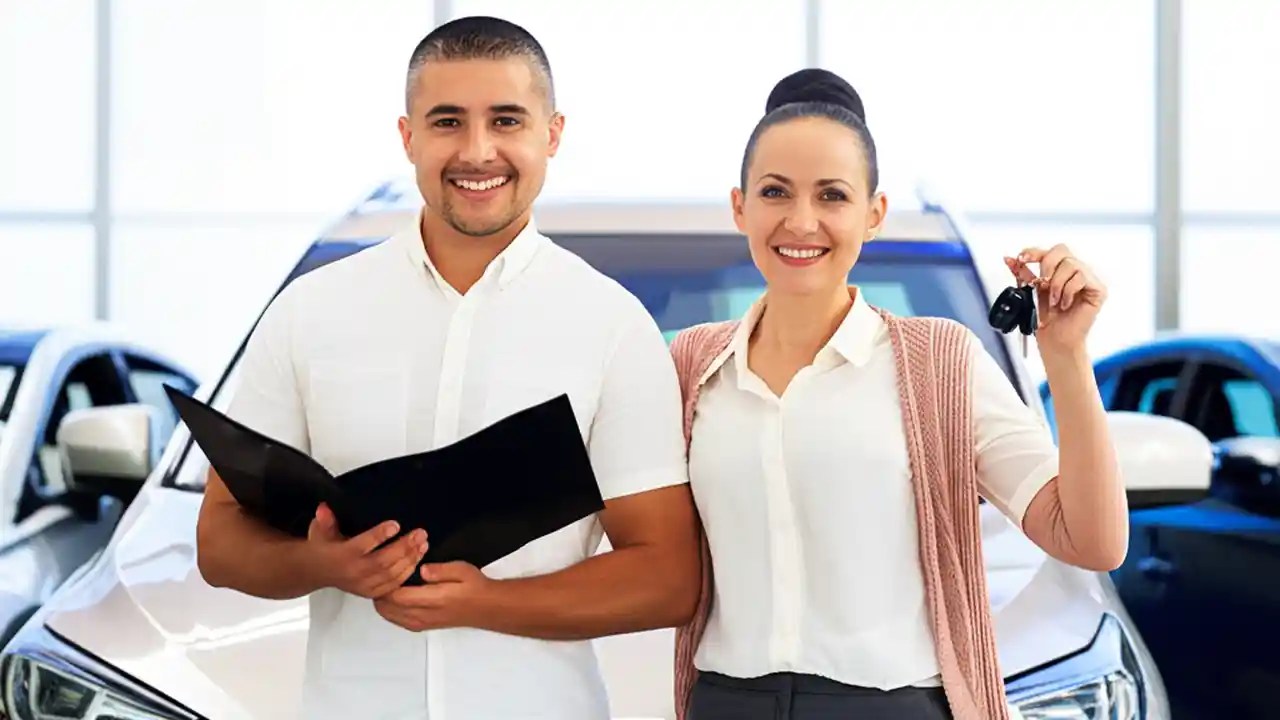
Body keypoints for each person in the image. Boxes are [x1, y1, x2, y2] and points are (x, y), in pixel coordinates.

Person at [194, 16, 700, 720]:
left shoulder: (611, 327)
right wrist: (325, 565)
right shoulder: (309, 314)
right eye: (447, 121)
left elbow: (668, 574)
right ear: (408, 138)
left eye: (506, 120)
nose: (477, 150)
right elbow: (219, 540)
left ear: (551, 134)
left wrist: (489, 603)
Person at [667, 68, 1128, 720]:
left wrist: (1067, 356)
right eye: (776, 192)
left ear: (873, 214)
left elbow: (1090, 541)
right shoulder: (689, 366)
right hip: (725, 704)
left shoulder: (940, 362)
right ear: (740, 205)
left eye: (832, 196)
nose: (802, 222)